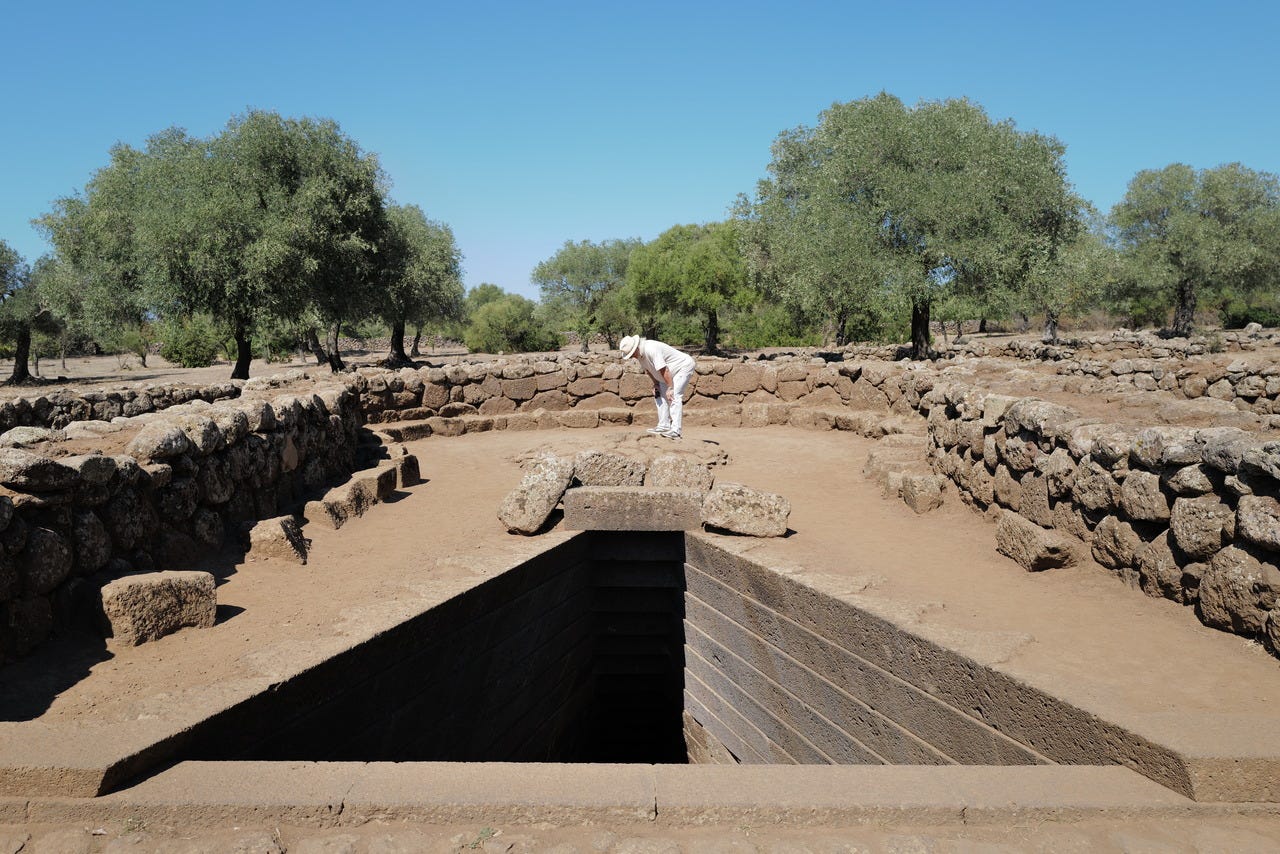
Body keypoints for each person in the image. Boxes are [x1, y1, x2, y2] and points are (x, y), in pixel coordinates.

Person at [619, 335, 695, 439]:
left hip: (682, 367)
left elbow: (664, 370)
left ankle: (675, 431)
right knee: (658, 394)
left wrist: (670, 388)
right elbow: (649, 370)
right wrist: (656, 384)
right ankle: (663, 426)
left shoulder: (651, 349)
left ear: (636, 347)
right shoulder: (640, 355)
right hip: (667, 373)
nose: (632, 356)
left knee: (674, 395)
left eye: (632, 353)